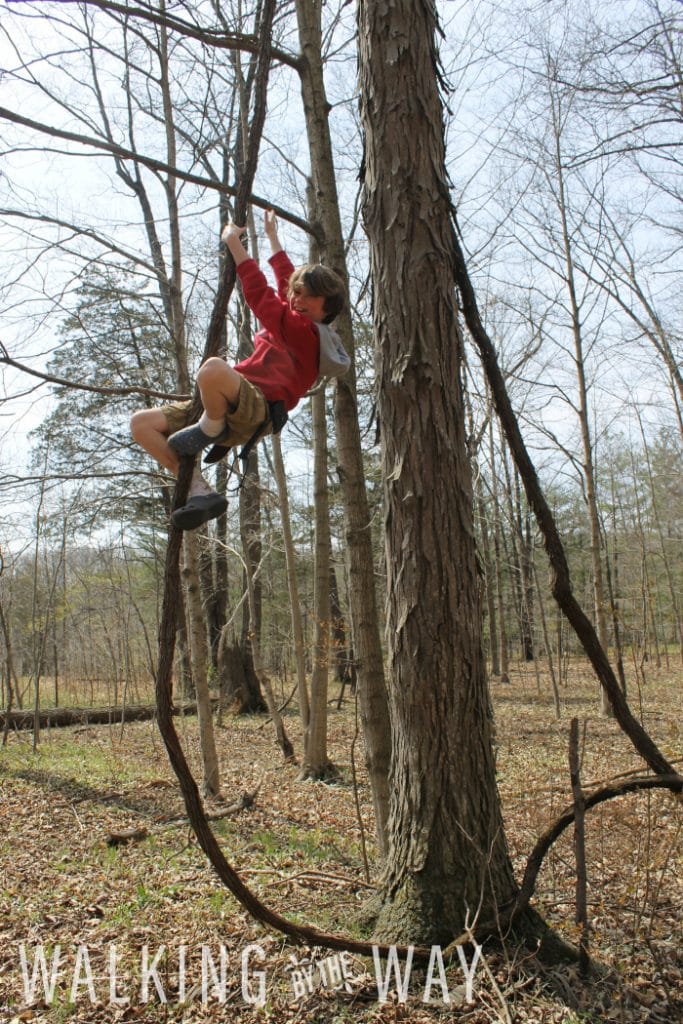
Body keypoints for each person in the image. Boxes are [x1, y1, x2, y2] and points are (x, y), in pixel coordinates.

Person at [130, 210, 347, 531]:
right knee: (142, 424)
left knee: (213, 369)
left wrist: (234, 243)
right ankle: (199, 491)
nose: (299, 300)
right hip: (230, 400)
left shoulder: (307, 333)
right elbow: (287, 281)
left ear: (326, 309)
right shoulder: (297, 316)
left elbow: (260, 296)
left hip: (254, 408)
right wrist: (272, 237)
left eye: (311, 298)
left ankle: (210, 429)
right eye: (298, 293)